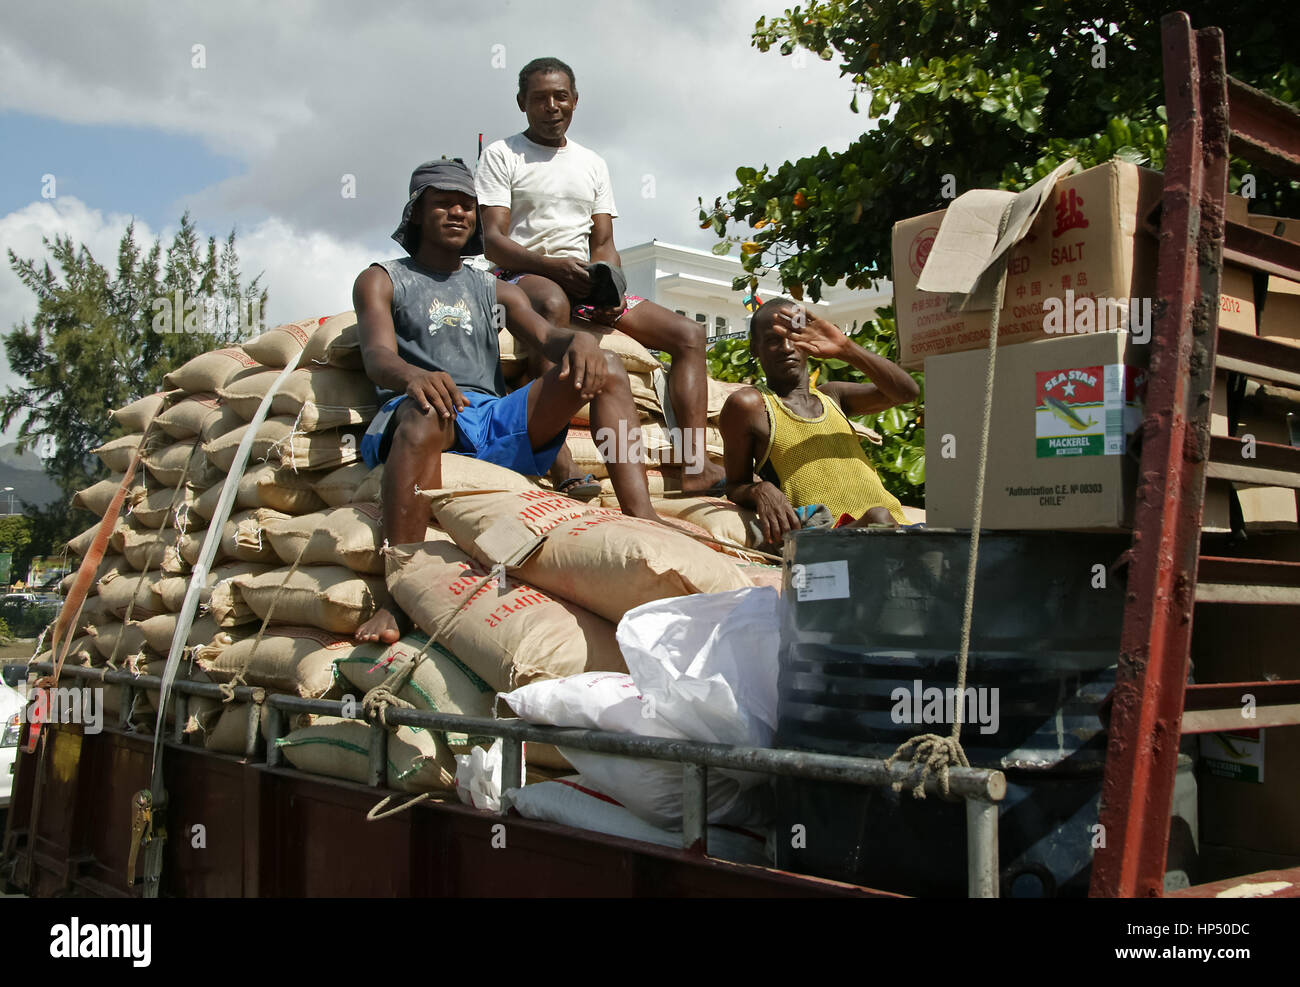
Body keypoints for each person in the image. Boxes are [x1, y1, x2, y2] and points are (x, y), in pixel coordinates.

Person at [352, 159, 660, 644]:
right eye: (442, 203)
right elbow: (375, 356)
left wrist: (577, 343)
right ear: (416, 213)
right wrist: (413, 376)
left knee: (611, 369)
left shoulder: (492, 288)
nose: (458, 212)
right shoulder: (383, 279)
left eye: (467, 205)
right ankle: (400, 594)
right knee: (426, 410)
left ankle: (644, 519)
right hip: (421, 412)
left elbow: (543, 335)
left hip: (491, 416)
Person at [475, 55, 726, 498]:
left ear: (575, 101)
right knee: (551, 304)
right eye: (540, 98)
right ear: (522, 103)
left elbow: (604, 242)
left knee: (689, 333)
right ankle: (564, 466)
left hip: (584, 281)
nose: (552, 106)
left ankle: (694, 464)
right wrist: (551, 266)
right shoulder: (502, 155)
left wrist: (613, 284)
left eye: (561, 97)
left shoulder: (592, 163)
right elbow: (493, 240)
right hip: (523, 274)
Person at [719, 299, 919, 546]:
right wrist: (761, 490)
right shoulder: (751, 405)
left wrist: (846, 348)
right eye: (772, 340)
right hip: (831, 535)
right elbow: (736, 485)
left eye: (796, 336)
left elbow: (907, 392)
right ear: (754, 349)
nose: (787, 347)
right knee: (879, 518)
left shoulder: (834, 396)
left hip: (895, 525)